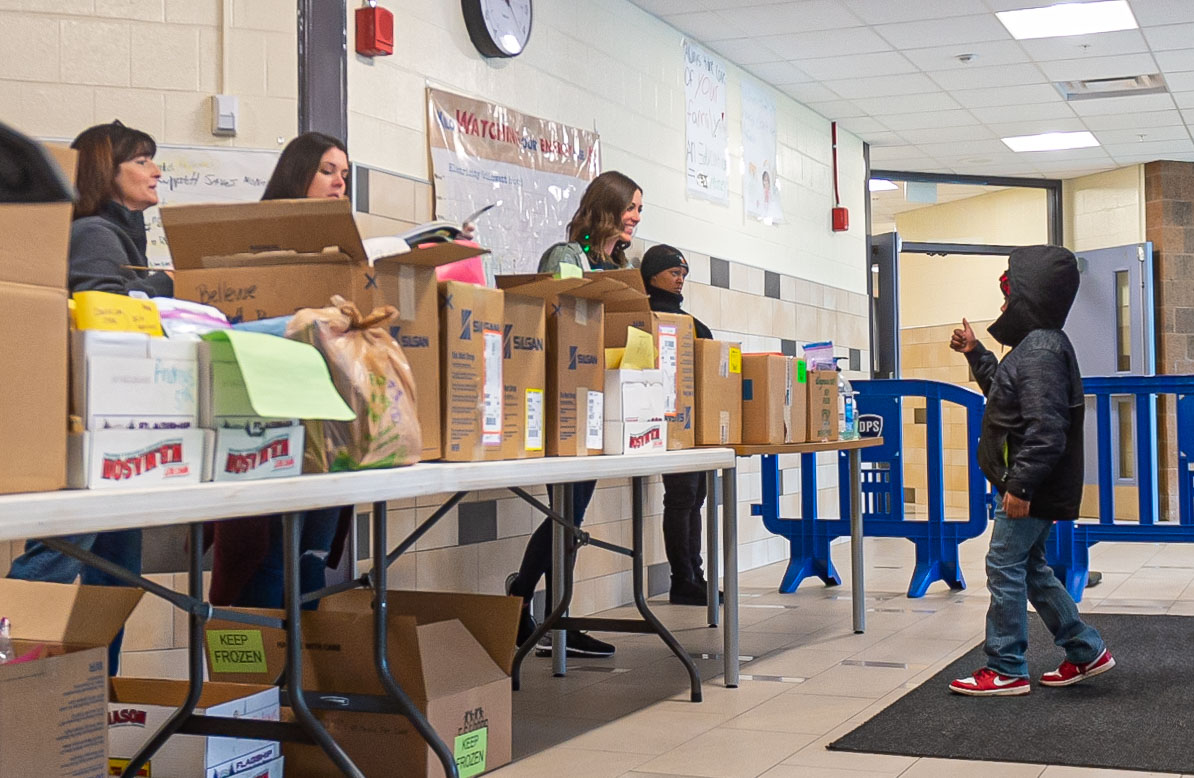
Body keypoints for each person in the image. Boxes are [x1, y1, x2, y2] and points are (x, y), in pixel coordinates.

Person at [8, 120, 172, 675]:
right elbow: (103, 319)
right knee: (62, 560)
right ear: (108, 170)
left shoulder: (118, 235)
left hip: (116, 430)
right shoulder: (97, 233)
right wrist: (166, 286)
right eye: (143, 160)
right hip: (93, 430)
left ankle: (92, 697)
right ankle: (22, 671)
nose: (156, 171)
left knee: (114, 575)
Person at [947, 245, 1114, 696]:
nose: (1002, 307)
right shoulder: (1037, 346)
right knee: (1032, 566)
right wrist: (977, 353)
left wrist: (1020, 486)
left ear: (1029, 298)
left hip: (1029, 486)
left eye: (1008, 296)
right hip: (1035, 483)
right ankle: (1085, 650)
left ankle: (1005, 667)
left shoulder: (1039, 350)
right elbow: (1007, 396)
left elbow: (1046, 429)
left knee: (1003, 564)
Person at [207, 132, 352, 611]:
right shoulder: (251, 244)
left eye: (345, 175)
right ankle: (258, 681)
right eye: (328, 171)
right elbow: (230, 329)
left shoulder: (345, 251)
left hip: (325, 424)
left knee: (312, 557)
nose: (339, 184)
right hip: (264, 423)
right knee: (267, 559)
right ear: (299, 173)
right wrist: (298, 324)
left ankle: (299, 679)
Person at [507, 170, 643, 658]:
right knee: (566, 515)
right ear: (607, 207)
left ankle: (542, 612)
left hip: (599, 401)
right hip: (564, 400)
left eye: (639, 211)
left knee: (571, 515)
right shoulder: (568, 256)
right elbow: (562, 323)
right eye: (631, 207)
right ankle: (532, 608)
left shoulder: (619, 264)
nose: (636, 218)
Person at [639, 244, 716, 605]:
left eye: (683, 273)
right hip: (662, 422)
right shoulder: (645, 317)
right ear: (652, 275)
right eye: (673, 272)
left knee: (693, 498)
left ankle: (693, 575)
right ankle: (682, 578)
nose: (680, 278)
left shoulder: (688, 322)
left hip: (688, 424)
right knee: (682, 498)